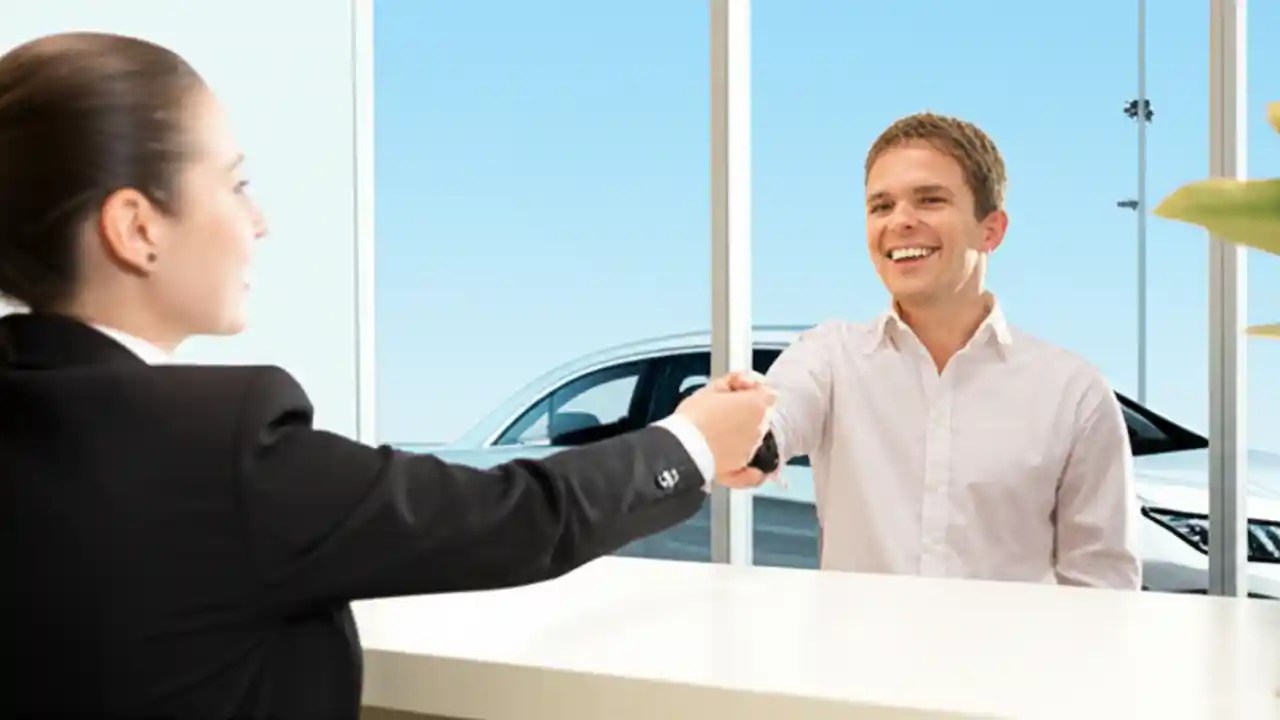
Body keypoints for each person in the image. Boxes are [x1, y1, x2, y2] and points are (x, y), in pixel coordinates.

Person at [1, 32, 773, 719]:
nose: (259, 220)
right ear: (137, 228)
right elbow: (521, 518)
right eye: (235, 183)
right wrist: (692, 442)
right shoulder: (218, 449)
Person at [763, 112, 1141, 589]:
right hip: (858, 662)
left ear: (992, 230)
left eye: (930, 200)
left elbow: (1102, 583)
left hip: (1015, 664)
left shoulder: (1073, 393)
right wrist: (742, 437)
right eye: (881, 206)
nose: (900, 221)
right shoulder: (828, 358)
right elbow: (771, 416)